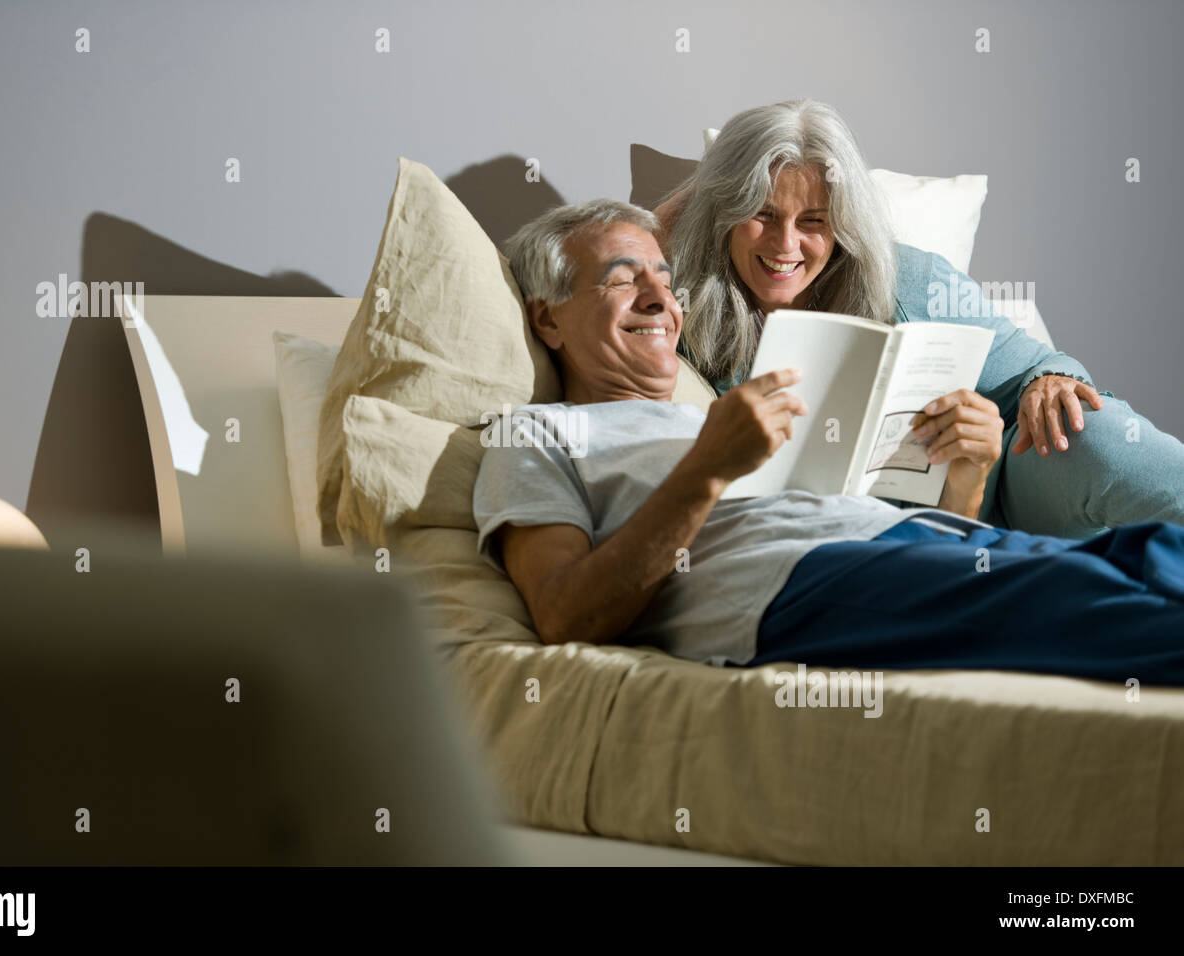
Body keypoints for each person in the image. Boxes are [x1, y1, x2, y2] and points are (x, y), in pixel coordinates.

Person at [474, 198, 1184, 685]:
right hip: (798, 582)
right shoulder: (536, 433)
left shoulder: (708, 415)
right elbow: (565, 617)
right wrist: (706, 471)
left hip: (919, 541)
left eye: (663, 278)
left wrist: (967, 476)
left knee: (1153, 553)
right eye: (622, 281)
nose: (661, 300)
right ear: (549, 321)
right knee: (1102, 606)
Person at [655, 99, 1184, 540]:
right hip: (884, 542)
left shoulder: (909, 279)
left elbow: (1041, 367)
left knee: (1094, 431)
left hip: (1002, 496)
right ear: (723, 210)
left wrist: (1050, 381)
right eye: (761, 214)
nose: (785, 244)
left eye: (813, 221)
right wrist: (663, 225)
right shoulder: (683, 303)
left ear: (842, 225)